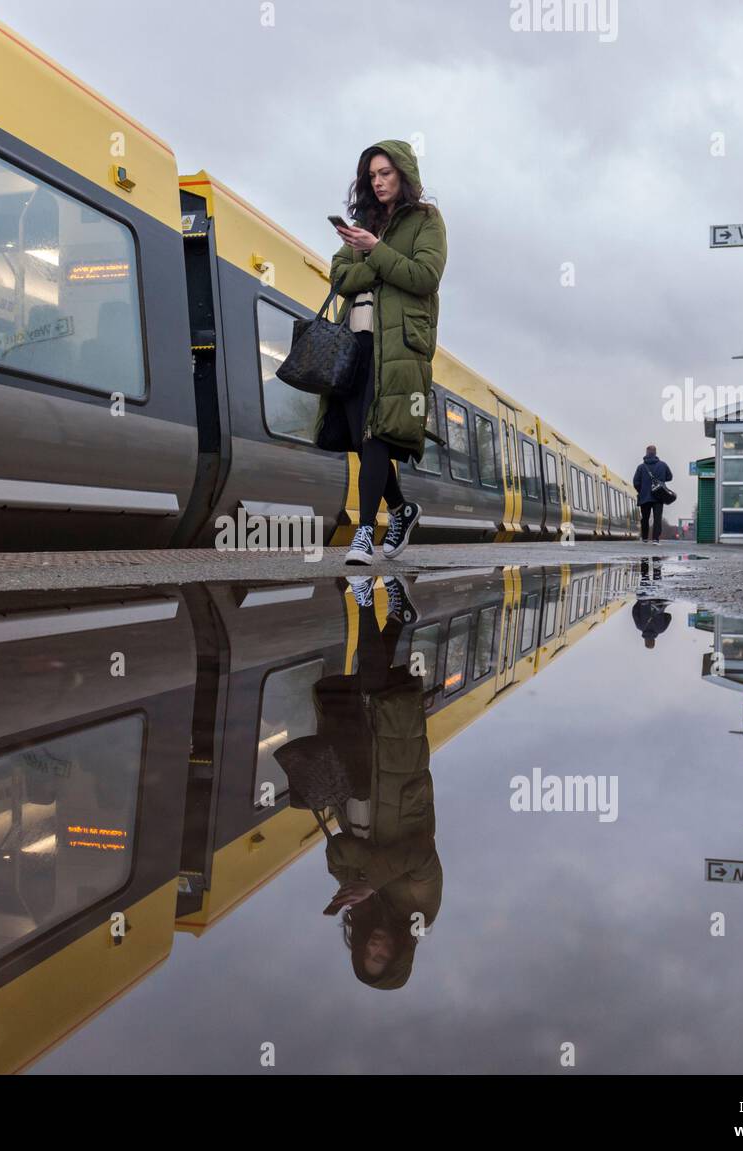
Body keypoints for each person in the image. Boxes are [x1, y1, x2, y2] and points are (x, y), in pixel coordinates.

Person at [272, 576, 441, 989]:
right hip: (398, 778)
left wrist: (356, 879)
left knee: (360, 695)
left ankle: (397, 614)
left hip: (354, 793)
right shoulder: (421, 909)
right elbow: (420, 856)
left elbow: (337, 852)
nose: (377, 947)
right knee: (375, 693)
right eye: (385, 955)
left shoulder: (361, 908)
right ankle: (364, 594)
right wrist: (369, 881)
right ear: (401, 951)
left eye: (369, 953)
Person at [314, 141, 448, 566]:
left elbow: (425, 276)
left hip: (397, 347)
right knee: (361, 437)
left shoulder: (427, 220)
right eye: (372, 175)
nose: (378, 181)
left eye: (386, 173)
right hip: (355, 345)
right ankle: (403, 508)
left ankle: (365, 534)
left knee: (374, 435)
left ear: (403, 174)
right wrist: (373, 253)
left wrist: (374, 250)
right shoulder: (362, 223)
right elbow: (339, 274)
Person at [632, 444, 673, 544]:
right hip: (659, 496)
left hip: (645, 497)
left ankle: (645, 538)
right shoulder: (663, 465)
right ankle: (655, 539)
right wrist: (661, 481)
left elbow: (636, 482)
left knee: (645, 518)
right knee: (657, 518)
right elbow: (670, 477)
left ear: (646, 453)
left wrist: (642, 491)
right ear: (655, 453)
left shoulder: (641, 467)